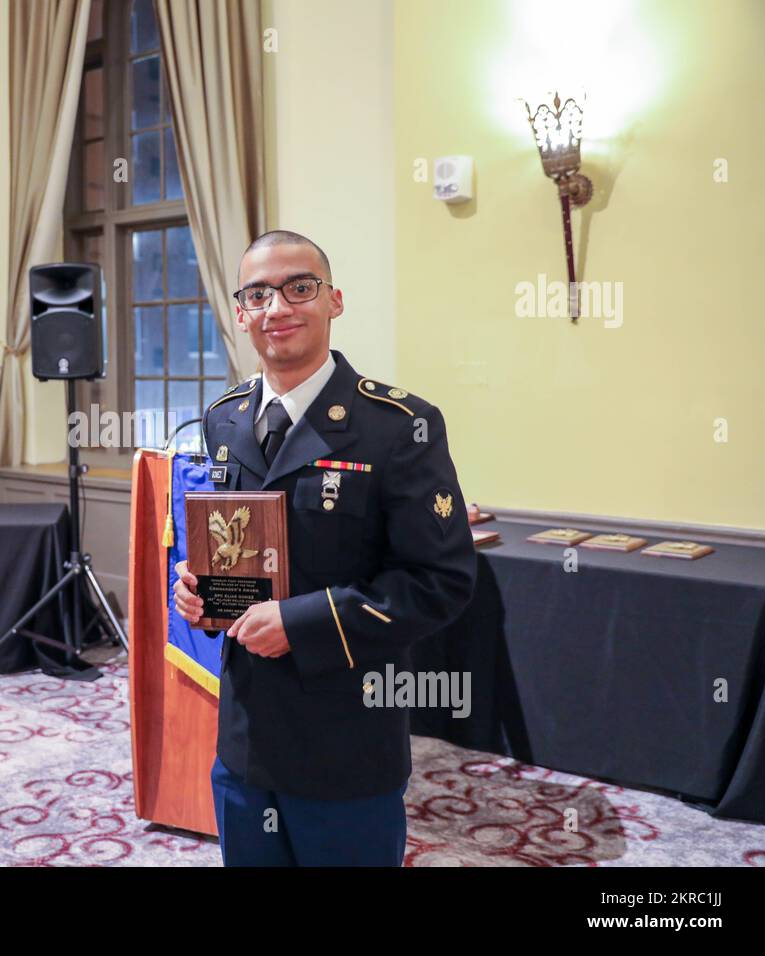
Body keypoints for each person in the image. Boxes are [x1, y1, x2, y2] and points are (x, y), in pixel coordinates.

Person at [172, 230, 476, 866]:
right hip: (245, 738)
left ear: (334, 300)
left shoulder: (399, 427)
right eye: (258, 294)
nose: (277, 307)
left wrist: (300, 623)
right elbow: (236, 549)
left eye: (299, 288)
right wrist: (202, 595)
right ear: (240, 313)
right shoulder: (224, 417)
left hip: (347, 741)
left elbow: (439, 581)